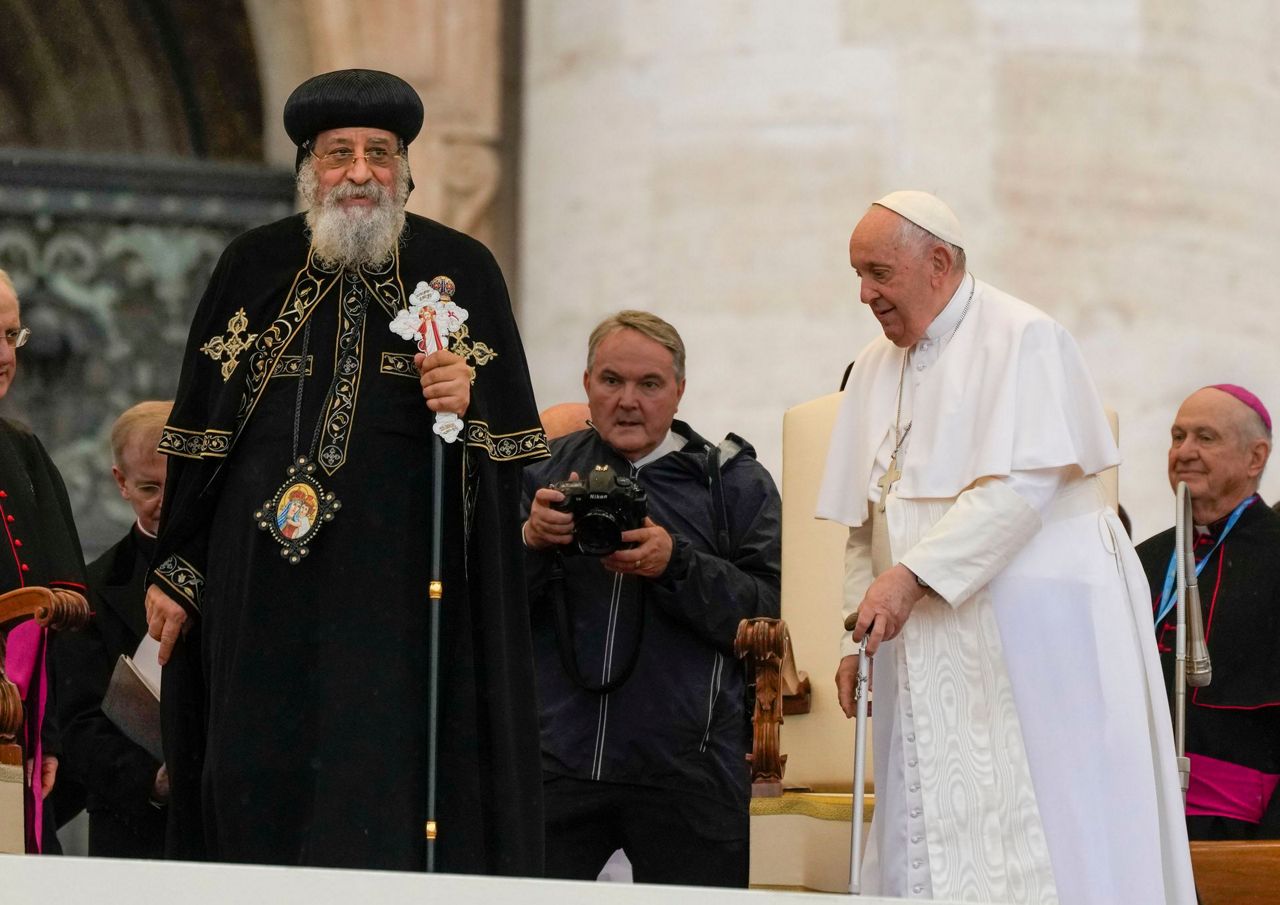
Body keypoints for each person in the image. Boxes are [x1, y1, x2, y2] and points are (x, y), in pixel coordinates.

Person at [143, 69, 548, 873]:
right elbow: (199, 440)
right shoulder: (249, 267)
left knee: (382, 791)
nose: (360, 172)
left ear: (404, 168)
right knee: (257, 783)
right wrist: (178, 567)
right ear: (307, 169)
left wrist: (465, 408)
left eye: (378, 153)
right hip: (261, 595)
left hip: (399, 604)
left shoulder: (459, 267)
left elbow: (511, 470)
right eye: (338, 154)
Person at [817, 192, 1194, 904]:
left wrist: (908, 579)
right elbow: (867, 518)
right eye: (857, 275)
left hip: (1038, 622)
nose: (864, 294)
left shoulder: (1026, 337)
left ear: (938, 263)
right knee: (926, 813)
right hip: (923, 632)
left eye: (878, 273)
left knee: (1052, 812)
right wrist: (851, 636)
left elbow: (1019, 494)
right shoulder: (873, 365)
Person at [522, 311, 781, 887]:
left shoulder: (734, 485)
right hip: (555, 767)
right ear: (586, 383)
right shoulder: (538, 477)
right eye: (611, 381)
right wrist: (531, 543)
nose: (628, 401)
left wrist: (677, 564)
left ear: (680, 391)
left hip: (690, 773)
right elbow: (483, 611)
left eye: (649, 384)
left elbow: (771, 612)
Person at [1136, 385, 1280, 840]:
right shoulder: (1141, 559)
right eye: (1177, 437)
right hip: (1137, 814)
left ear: (1255, 458)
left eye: (1205, 437)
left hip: (1241, 828)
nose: (1185, 451)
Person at [54, 401, 172, 858]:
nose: (166, 502)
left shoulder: (238, 571)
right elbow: (78, 722)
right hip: (134, 830)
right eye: (149, 487)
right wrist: (153, 782)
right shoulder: (92, 590)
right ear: (121, 483)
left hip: (228, 821)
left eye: (177, 483)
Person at [0, 268, 88, 853]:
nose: (4, 355)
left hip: (15, 737)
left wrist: (47, 734)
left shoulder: (24, 451)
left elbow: (61, 605)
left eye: (11, 337)